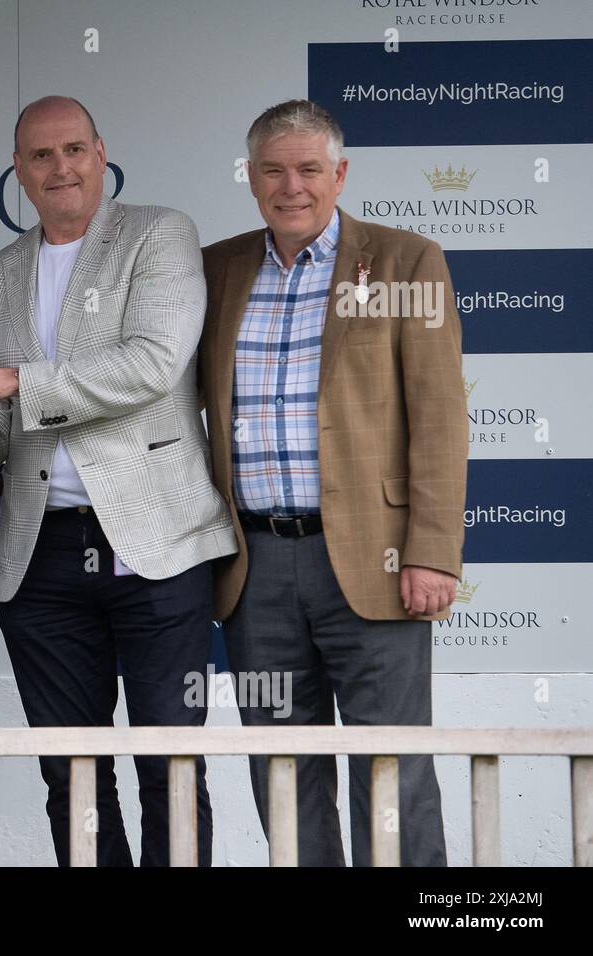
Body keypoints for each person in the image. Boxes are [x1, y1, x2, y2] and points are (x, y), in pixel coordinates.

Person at [0, 96, 236, 866]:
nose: (61, 167)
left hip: (157, 546)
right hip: (42, 558)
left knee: (170, 767)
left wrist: (10, 380)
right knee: (72, 774)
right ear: (18, 171)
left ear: (101, 153)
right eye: (41, 156)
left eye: (74, 150)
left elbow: (152, 367)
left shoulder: (159, 234)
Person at [198, 99, 468, 866]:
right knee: (283, 774)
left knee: (392, 770)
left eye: (309, 169)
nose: (292, 187)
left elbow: (441, 420)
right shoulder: (217, 269)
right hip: (253, 567)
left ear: (339, 173)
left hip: (378, 560)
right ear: (251, 179)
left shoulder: (406, 261)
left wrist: (432, 553)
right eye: (275, 170)